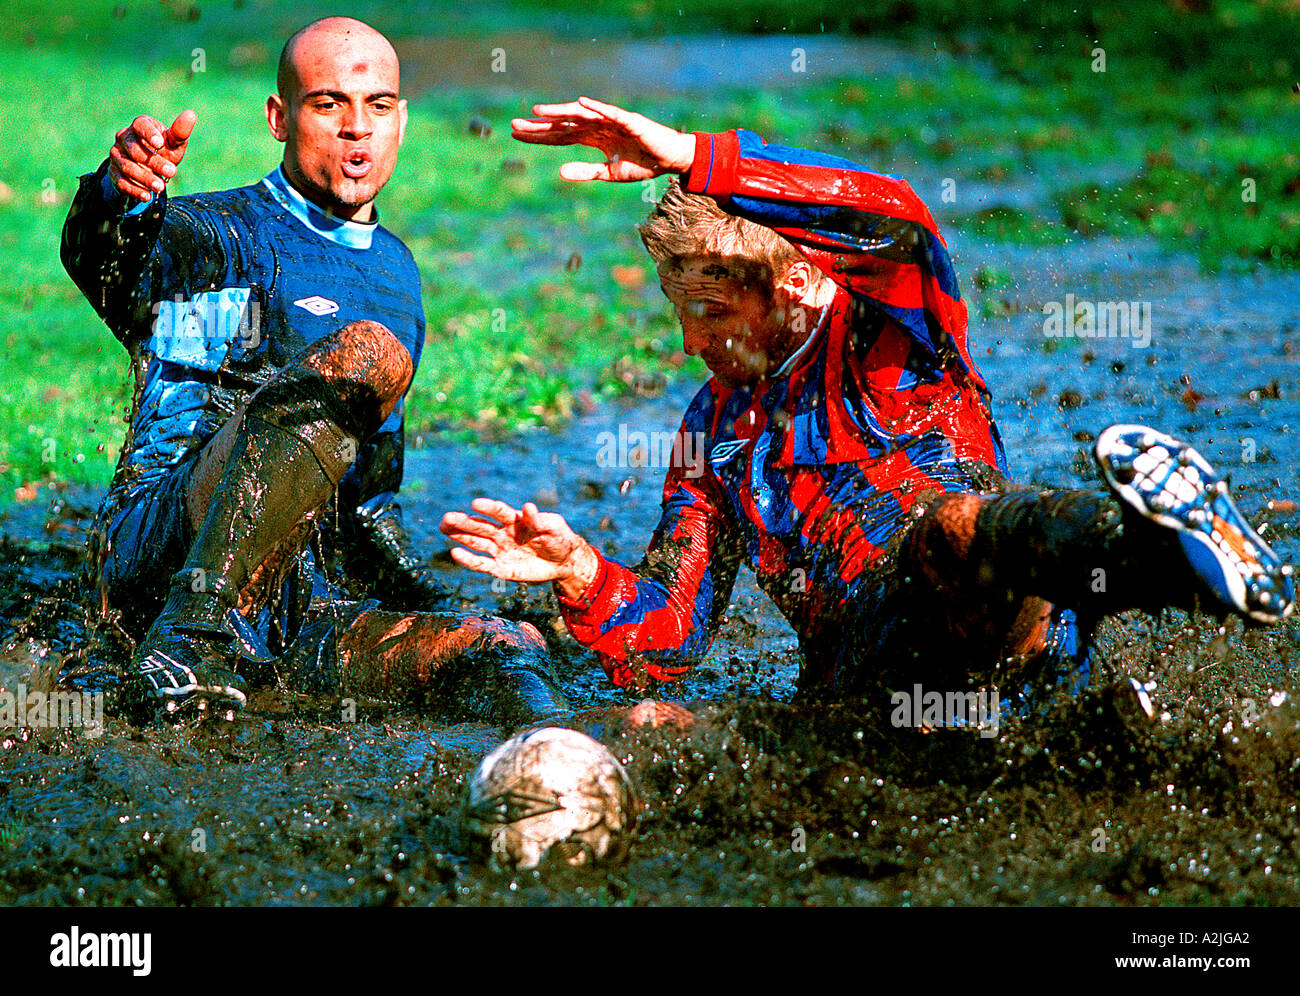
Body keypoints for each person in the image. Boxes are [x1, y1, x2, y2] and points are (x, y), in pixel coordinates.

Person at [440, 97, 1294, 716]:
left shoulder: (891, 334)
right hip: (862, 692)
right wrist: (579, 573)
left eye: (712, 313)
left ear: (801, 280)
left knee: (953, 528)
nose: (690, 345)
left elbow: (899, 218)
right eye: (679, 315)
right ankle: (1166, 558)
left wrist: (698, 158)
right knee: (651, 721)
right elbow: (672, 632)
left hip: (997, 627)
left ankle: (1167, 554)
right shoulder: (712, 432)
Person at [61, 17, 567, 726]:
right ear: (279, 117)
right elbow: (109, 265)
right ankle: (182, 643)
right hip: (157, 557)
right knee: (370, 354)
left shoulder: (397, 271)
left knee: (507, 647)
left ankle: (567, 762)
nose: (357, 128)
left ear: (402, 121)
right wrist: (120, 198)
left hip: (293, 606)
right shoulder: (218, 232)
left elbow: (367, 504)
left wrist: (438, 605)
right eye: (328, 104)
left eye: (379, 106)